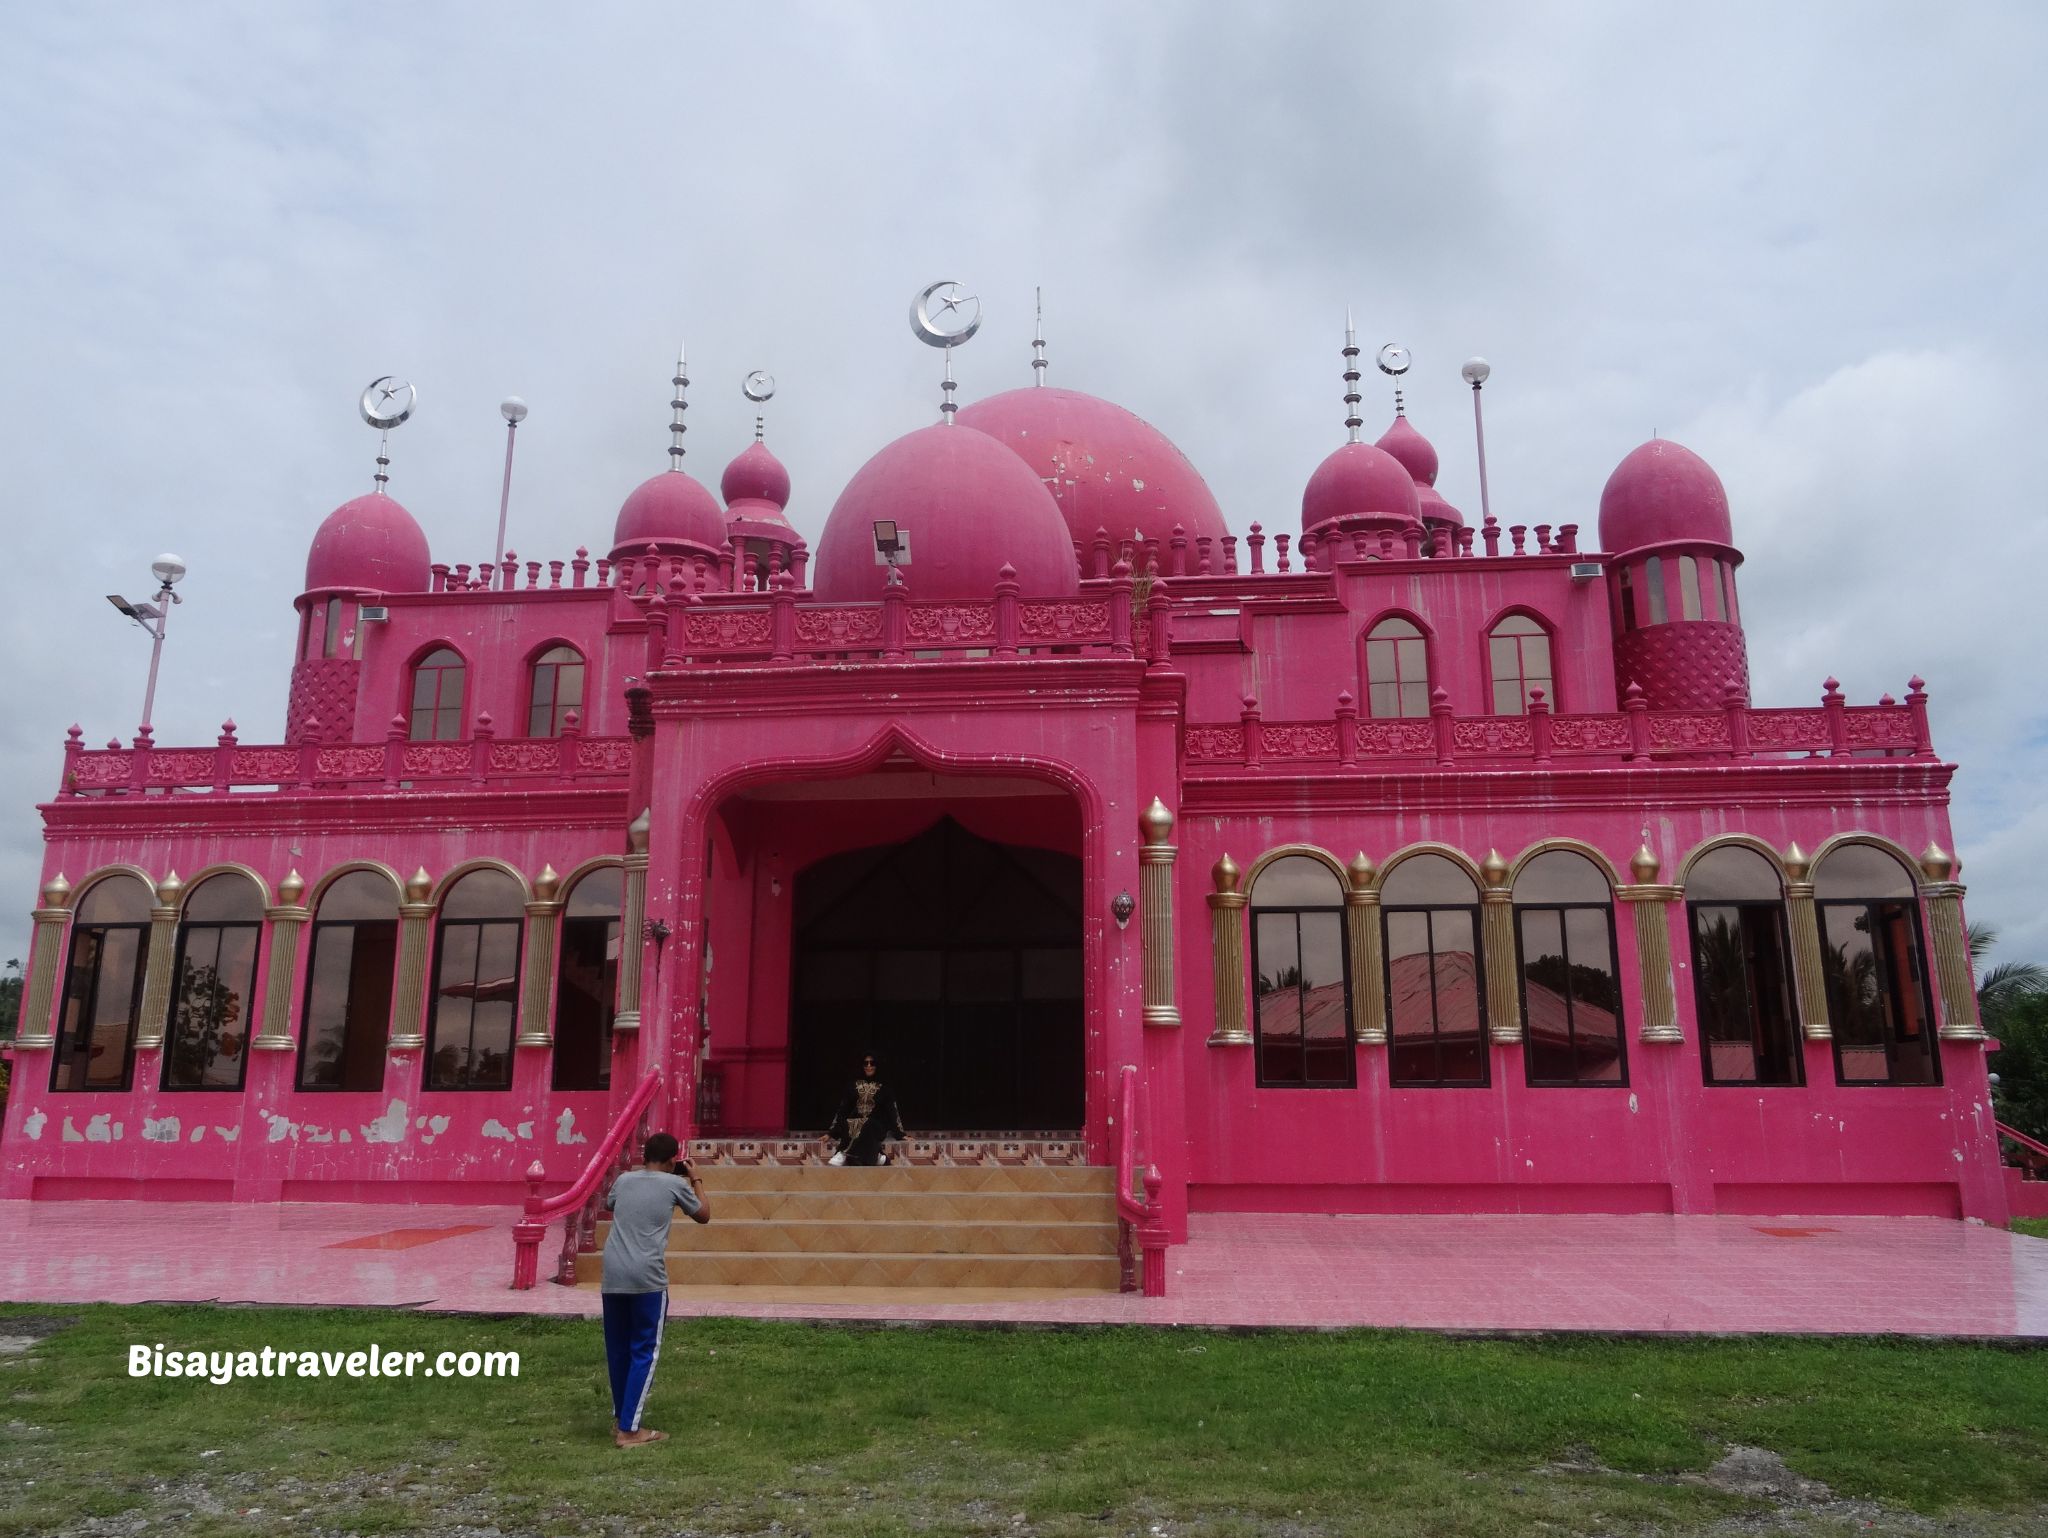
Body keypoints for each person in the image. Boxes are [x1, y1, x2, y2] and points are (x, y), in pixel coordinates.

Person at [600, 1131, 710, 1447]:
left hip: (613, 1273)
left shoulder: (623, 1180)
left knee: (618, 1349)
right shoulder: (676, 1184)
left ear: (644, 1156)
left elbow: (610, 1203)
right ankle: (630, 1431)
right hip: (647, 1276)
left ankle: (621, 1418)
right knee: (644, 1350)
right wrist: (696, 1179)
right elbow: (704, 1215)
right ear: (674, 1159)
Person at [823, 1051, 905, 1166]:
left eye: (872, 1063)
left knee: (866, 1123)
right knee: (850, 1123)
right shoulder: (852, 1086)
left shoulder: (885, 1087)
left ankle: (842, 1153)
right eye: (866, 1063)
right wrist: (831, 1133)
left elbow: (893, 1111)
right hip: (855, 1124)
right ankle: (877, 1156)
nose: (869, 1066)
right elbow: (842, 1110)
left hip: (876, 1125)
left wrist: (901, 1134)